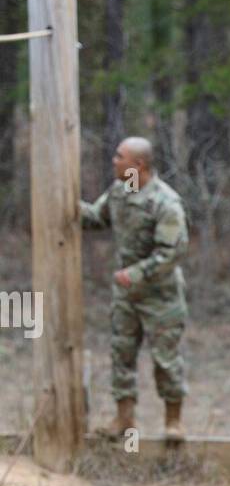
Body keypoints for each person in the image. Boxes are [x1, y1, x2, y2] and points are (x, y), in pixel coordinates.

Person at [80, 136, 189, 441]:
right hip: (127, 295)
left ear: (138, 164)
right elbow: (95, 218)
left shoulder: (165, 202)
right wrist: (63, 202)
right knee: (121, 354)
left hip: (161, 295)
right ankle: (124, 421)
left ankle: (173, 422)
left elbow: (172, 253)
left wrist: (137, 273)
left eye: (119, 156)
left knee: (166, 360)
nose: (113, 161)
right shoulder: (120, 192)